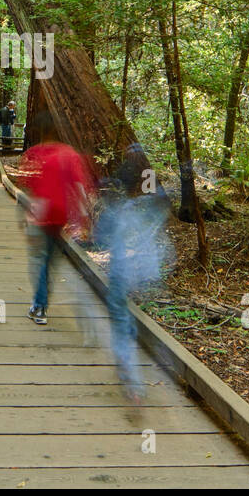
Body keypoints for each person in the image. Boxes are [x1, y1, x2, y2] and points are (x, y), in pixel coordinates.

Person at [94, 143, 173, 404]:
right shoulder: (149, 202)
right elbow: (162, 210)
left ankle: (132, 379)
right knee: (131, 315)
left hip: (121, 270)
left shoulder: (116, 209)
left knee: (119, 316)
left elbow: (100, 239)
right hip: (147, 270)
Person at [17, 111, 92, 326]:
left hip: (38, 213)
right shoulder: (69, 154)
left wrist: (22, 217)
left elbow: (26, 187)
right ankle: (42, 299)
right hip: (59, 215)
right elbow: (78, 186)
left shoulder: (33, 153)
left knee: (38, 260)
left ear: (39, 131)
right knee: (48, 260)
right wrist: (84, 215)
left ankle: (39, 306)